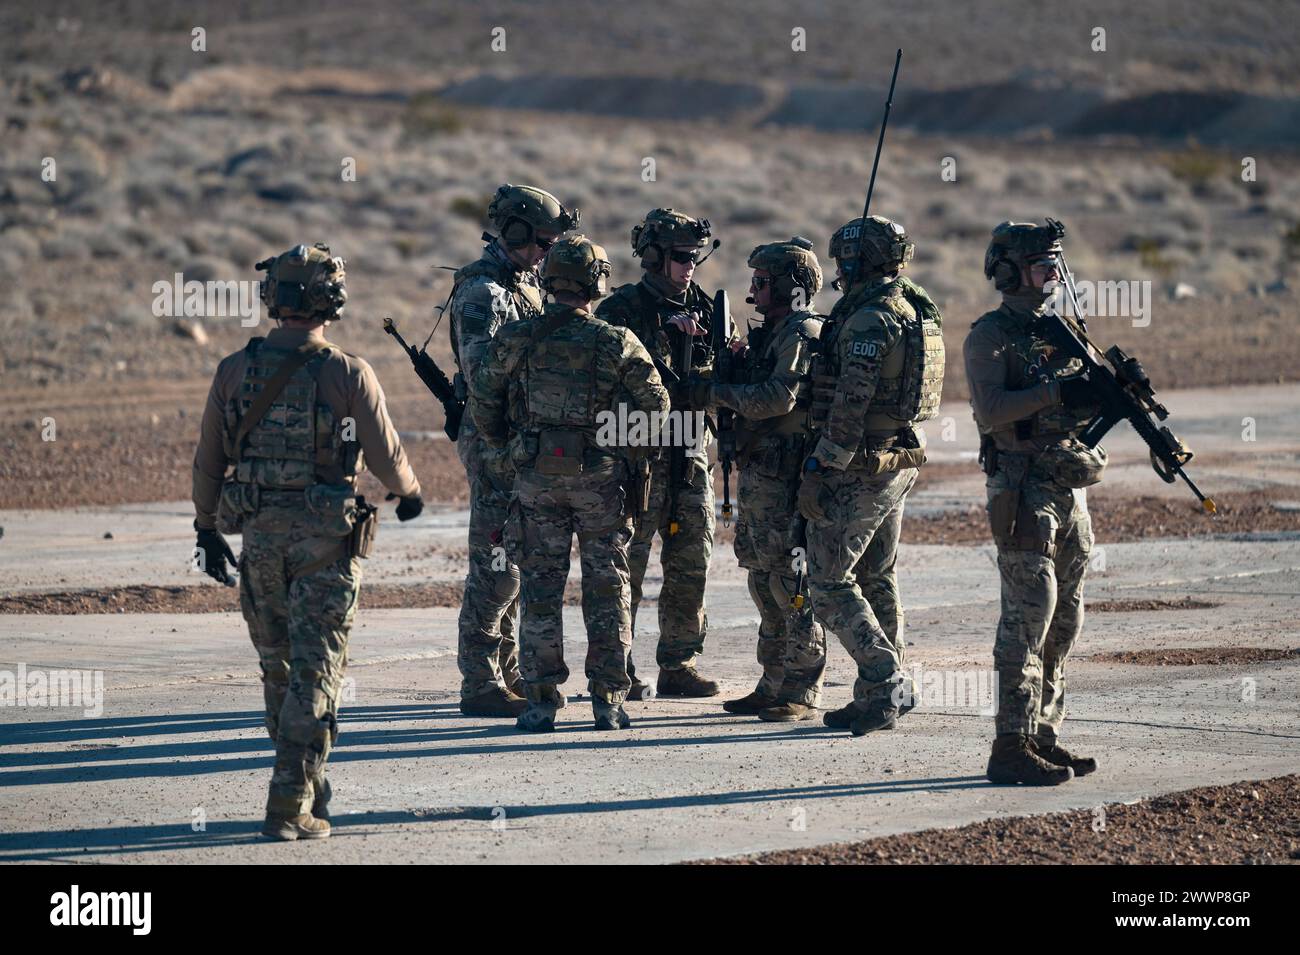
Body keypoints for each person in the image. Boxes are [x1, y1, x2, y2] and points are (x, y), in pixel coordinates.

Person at [192, 242, 423, 840]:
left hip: (258, 542)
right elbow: (386, 456)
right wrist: (410, 493)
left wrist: (205, 526)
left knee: (280, 668)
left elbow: (209, 460)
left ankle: (308, 784)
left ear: (274, 298)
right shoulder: (348, 373)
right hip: (324, 545)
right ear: (331, 298)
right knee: (316, 676)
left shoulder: (234, 369)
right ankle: (288, 803)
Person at [470, 235, 670, 731]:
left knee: (540, 588)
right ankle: (607, 700)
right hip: (600, 481)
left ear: (551, 278)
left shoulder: (518, 338)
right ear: (597, 283)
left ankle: (540, 701)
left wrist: (509, 446)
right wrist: (618, 442)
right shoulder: (616, 340)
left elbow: (483, 397)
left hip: (536, 478)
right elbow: (657, 407)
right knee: (608, 587)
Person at [965, 220, 1105, 785]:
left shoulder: (1060, 331)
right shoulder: (989, 335)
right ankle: (1010, 744)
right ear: (1006, 271)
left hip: (1066, 491)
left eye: (1056, 262)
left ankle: (1044, 734)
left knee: (1065, 619)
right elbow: (992, 410)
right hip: (1022, 493)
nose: (1054, 272)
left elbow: (1072, 409)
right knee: (1027, 617)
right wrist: (1057, 393)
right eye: (1042, 263)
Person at [797, 216, 945, 736]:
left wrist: (819, 466)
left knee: (829, 582)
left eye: (844, 261)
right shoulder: (913, 307)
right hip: (898, 459)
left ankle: (884, 679)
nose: (839, 270)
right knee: (877, 576)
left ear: (861, 260)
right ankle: (883, 695)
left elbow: (849, 406)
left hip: (860, 465)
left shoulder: (868, 320)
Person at [446, 184, 578, 717]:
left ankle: (506, 670)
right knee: (496, 563)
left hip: (522, 443)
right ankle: (478, 681)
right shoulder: (484, 292)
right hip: (495, 442)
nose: (550, 252)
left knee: (518, 561)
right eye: (544, 241)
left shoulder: (522, 285)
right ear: (516, 232)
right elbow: (483, 379)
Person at [690, 237, 827, 721]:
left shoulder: (801, 332)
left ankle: (802, 688)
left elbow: (775, 399)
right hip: (761, 472)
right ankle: (772, 682)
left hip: (788, 476)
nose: (753, 289)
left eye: (763, 281)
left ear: (791, 285)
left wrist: (717, 390)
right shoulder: (771, 333)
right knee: (763, 579)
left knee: (792, 582)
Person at [595, 208, 720, 698]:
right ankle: (618, 665)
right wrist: (666, 340)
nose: (690, 266)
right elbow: (604, 376)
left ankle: (679, 664)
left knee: (692, 561)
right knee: (631, 563)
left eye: (695, 257)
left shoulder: (707, 307)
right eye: (681, 258)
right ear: (654, 258)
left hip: (689, 451)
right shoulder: (622, 310)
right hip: (640, 455)